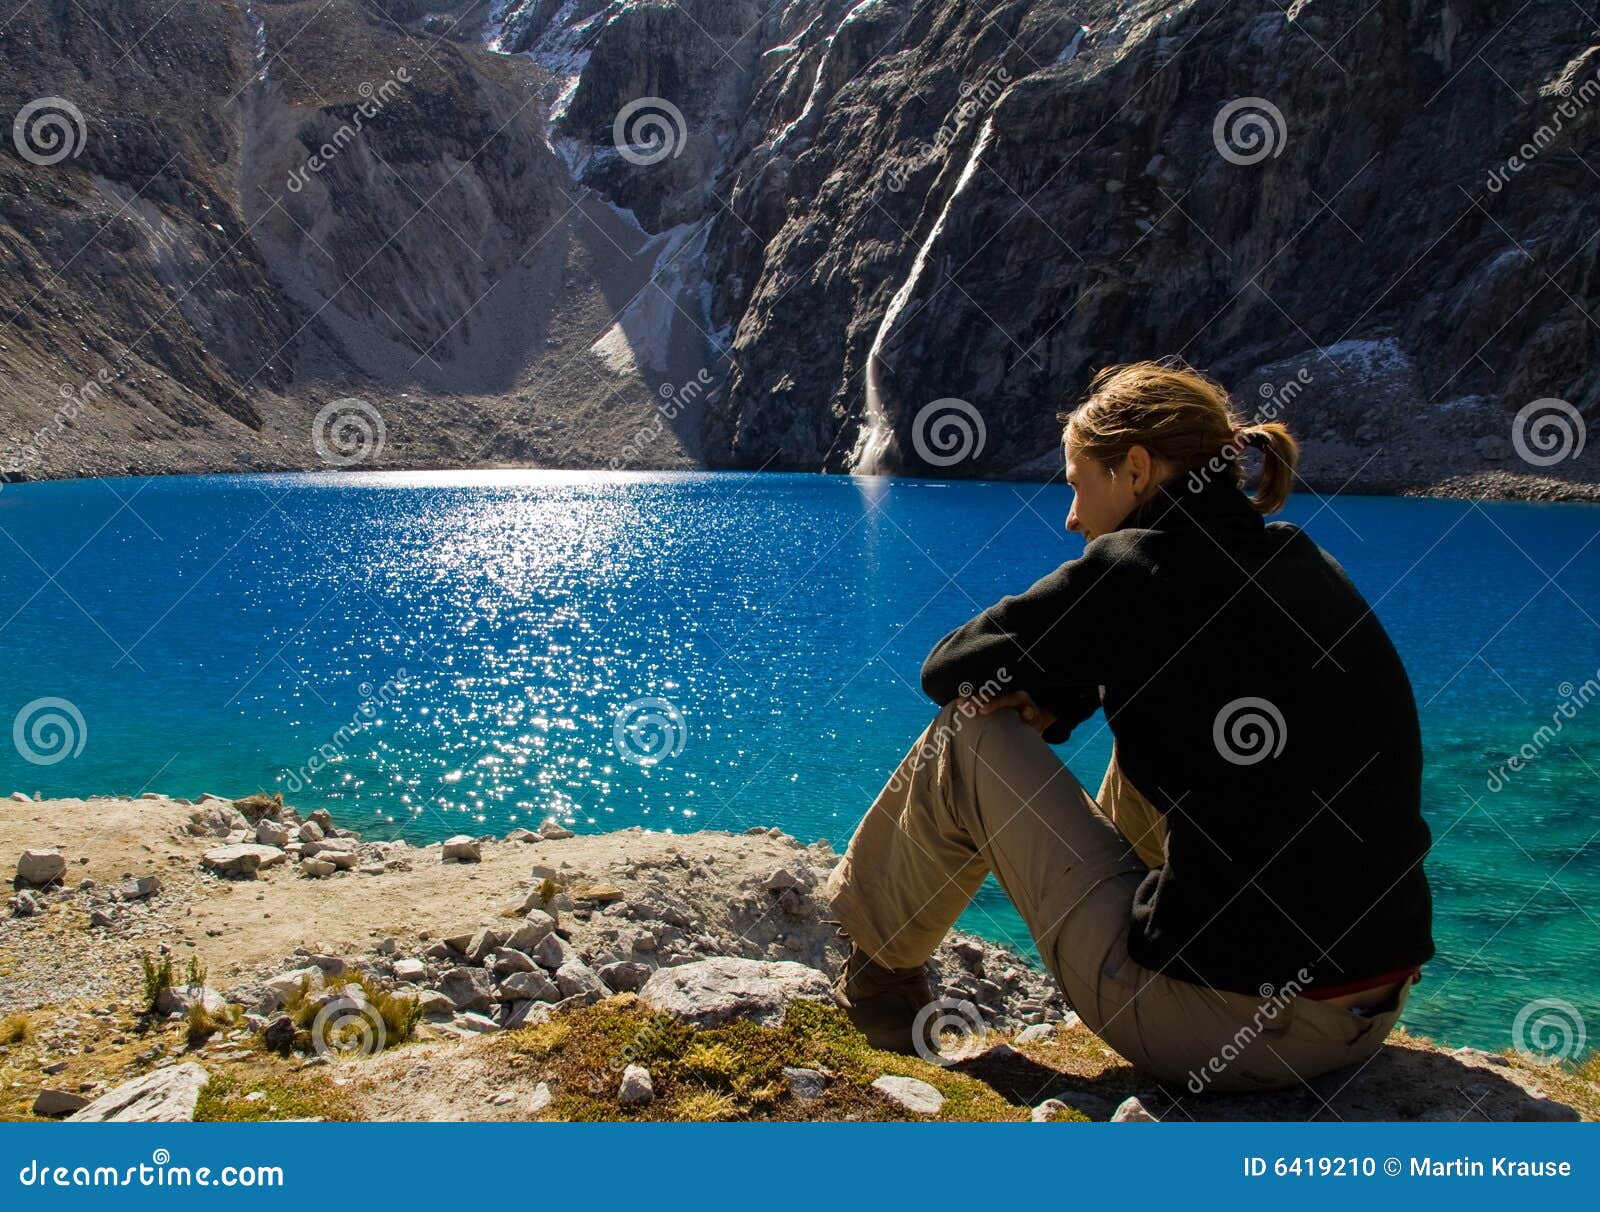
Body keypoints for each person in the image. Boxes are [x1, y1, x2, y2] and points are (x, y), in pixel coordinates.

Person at [824, 360, 1434, 1093]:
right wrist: (1066, 692)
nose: (1072, 517)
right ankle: (1165, 935)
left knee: (970, 733)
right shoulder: (1300, 558)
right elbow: (1165, 646)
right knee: (1158, 745)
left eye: (1080, 483)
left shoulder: (1138, 564)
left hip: (1227, 1033)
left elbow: (949, 668)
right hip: (1367, 1012)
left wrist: (1039, 694)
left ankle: (878, 987)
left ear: (1137, 469)